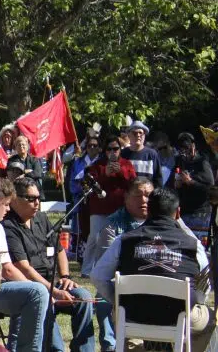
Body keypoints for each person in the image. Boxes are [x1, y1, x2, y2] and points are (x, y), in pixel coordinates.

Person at [92, 187, 212, 344]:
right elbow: (206, 282)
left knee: (122, 315)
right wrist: (197, 301)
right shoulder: (193, 245)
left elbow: (97, 276)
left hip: (133, 315)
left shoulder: (124, 241)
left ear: (147, 211)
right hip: (179, 317)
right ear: (178, 213)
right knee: (210, 322)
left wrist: (117, 301)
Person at [3, 177, 95, 352]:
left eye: (38, 198)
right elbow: (23, 267)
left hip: (53, 281)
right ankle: (55, 349)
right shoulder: (8, 226)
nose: (37, 202)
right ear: (14, 199)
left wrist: (66, 277)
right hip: (31, 286)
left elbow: (59, 250)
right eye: (31, 198)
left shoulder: (42, 219)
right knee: (44, 300)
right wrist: (53, 291)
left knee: (83, 296)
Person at [0, 176, 49, 352]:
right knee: (37, 293)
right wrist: (37, 287)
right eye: (5, 204)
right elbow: (7, 269)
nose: (7, 209)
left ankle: (13, 347)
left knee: (25, 295)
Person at [80, 177, 152, 352]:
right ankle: (111, 346)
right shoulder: (112, 226)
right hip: (124, 289)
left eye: (148, 195)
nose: (143, 200)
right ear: (126, 197)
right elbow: (104, 271)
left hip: (158, 289)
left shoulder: (165, 221)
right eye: (137, 195)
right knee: (104, 300)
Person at [80, 134, 136, 274]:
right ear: (105, 151)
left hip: (120, 209)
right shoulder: (97, 166)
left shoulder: (127, 164)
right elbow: (91, 185)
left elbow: (133, 184)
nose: (112, 152)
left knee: (119, 239)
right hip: (99, 209)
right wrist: (105, 173)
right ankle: (86, 270)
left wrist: (121, 172)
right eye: (109, 149)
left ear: (120, 149)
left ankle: (119, 267)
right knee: (94, 238)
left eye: (115, 149)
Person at [171, 132, 214, 239]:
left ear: (193, 146)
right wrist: (176, 184)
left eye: (186, 147)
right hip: (183, 212)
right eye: (181, 148)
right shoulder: (179, 161)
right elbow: (171, 183)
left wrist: (191, 182)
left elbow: (210, 189)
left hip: (200, 214)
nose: (184, 151)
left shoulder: (202, 162)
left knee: (199, 246)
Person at [121, 120, 162, 185]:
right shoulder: (122, 154)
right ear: (129, 136)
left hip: (147, 194)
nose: (138, 135)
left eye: (141, 133)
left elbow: (158, 179)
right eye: (135, 133)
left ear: (144, 136)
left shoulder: (152, 154)